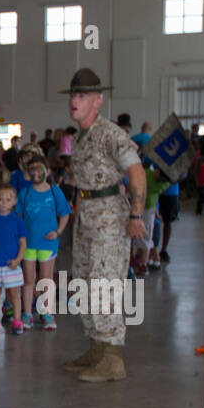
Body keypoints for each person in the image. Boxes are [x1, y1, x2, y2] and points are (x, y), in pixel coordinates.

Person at [60, 69, 146, 382]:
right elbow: (83, 183)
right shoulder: (79, 137)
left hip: (110, 218)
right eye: (72, 95)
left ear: (98, 100)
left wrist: (136, 215)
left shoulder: (111, 134)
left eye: (81, 95)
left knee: (104, 284)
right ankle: (97, 348)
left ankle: (112, 358)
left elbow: (136, 174)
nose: (74, 100)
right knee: (84, 282)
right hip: (87, 218)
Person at [16, 153, 71, 330]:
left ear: (47, 171)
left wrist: (58, 231)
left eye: (39, 169)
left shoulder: (55, 191)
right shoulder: (24, 194)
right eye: (31, 169)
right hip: (28, 245)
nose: (36, 173)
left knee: (46, 279)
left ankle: (46, 313)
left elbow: (65, 214)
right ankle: (27, 314)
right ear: (27, 173)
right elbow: (19, 217)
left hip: (48, 244)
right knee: (28, 279)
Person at [0, 186, 28, 335]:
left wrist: (18, 260)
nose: (4, 202)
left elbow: (23, 243)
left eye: (8, 199)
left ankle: (17, 321)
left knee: (14, 295)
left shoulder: (17, 220)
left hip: (12, 265)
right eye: (1, 199)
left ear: (14, 201)